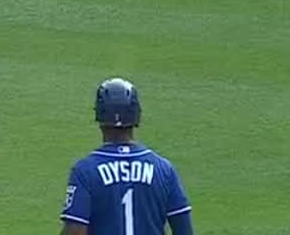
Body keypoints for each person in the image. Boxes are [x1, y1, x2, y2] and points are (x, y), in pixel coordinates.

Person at [58, 78, 194, 235]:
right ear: (136, 115)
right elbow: (184, 229)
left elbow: (75, 231)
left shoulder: (85, 171)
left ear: (100, 115)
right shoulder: (164, 170)